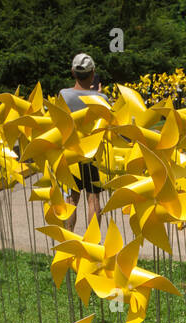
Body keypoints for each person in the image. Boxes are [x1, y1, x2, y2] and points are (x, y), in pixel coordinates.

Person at [60, 53, 111, 228]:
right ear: (93, 73)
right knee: (93, 198)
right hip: (92, 154)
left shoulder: (63, 95)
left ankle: (68, 240)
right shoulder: (101, 99)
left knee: (71, 198)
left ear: (73, 72)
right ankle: (93, 243)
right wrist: (97, 95)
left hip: (71, 152)